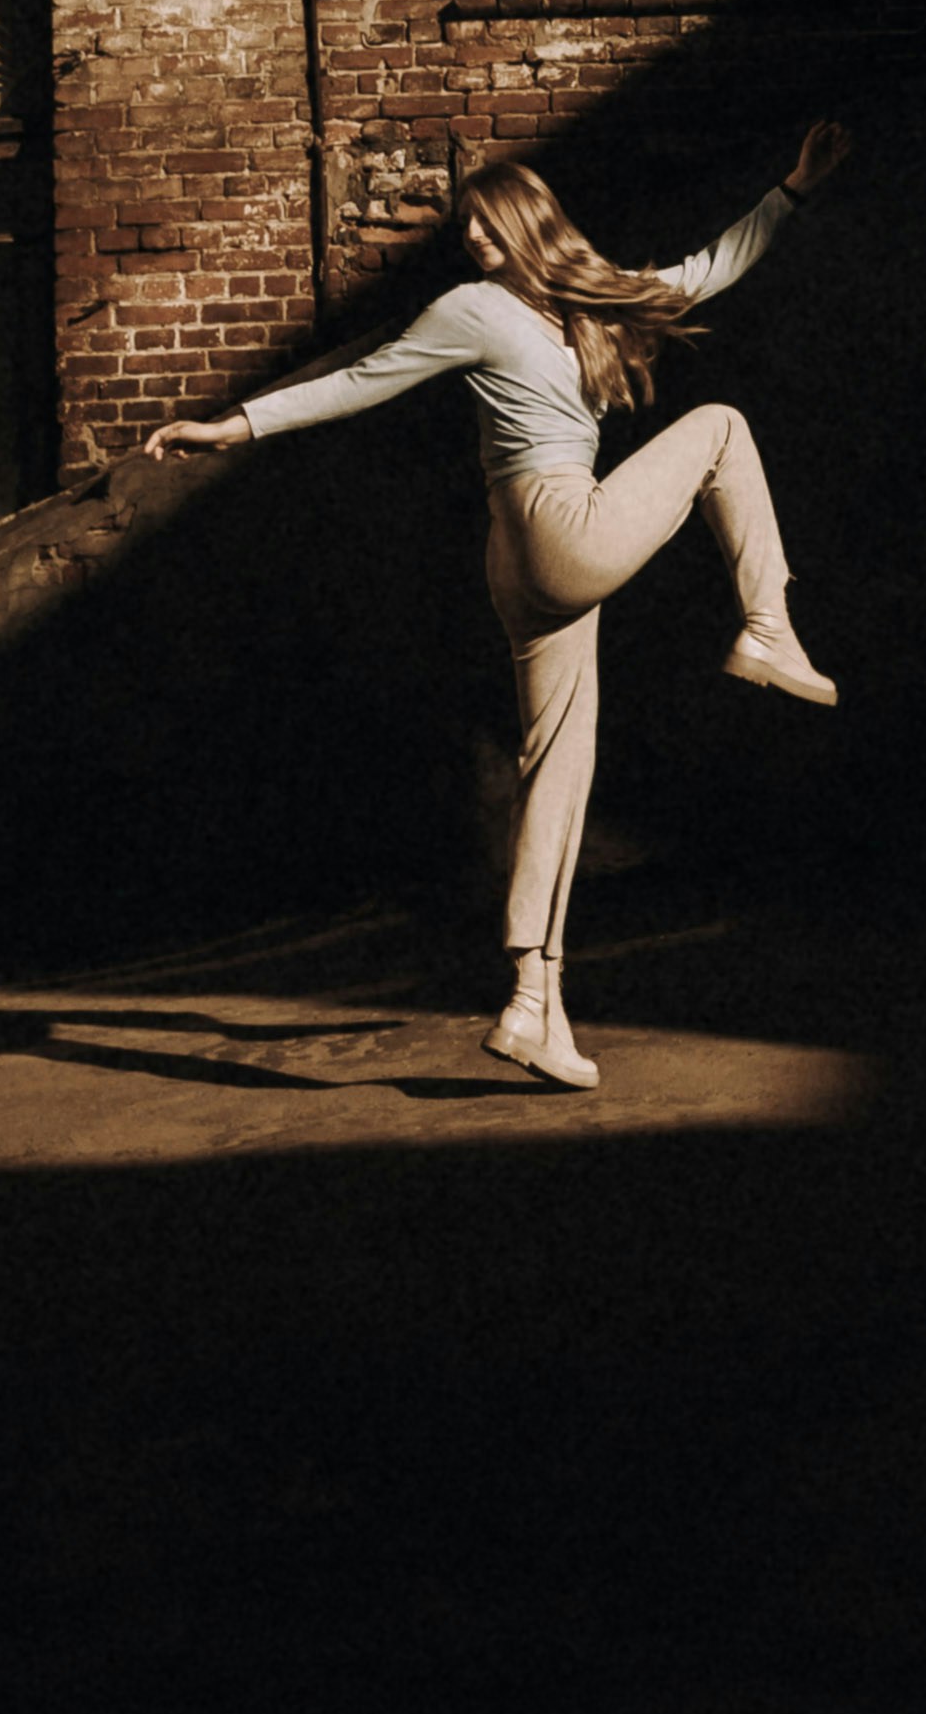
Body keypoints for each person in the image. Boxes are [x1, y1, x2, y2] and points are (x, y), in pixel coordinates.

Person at [144, 121, 855, 1087]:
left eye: (489, 226)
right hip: (558, 525)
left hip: (522, 553)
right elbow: (361, 379)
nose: (475, 242)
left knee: (557, 764)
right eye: (468, 230)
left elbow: (701, 271)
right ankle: (767, 624)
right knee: (722, 427)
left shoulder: (585, 305)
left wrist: (794, 186)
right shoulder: (473, 309)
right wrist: (234, 425)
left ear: (531, 223)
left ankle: (533, 1002)